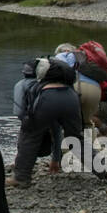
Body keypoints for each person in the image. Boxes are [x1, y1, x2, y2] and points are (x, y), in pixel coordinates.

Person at [9, 54, 83, 187]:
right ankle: (105, 172)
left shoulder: (22, 84)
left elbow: (19, 113)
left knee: (29, 137)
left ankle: (21, 178)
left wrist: (29, 123)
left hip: (48, 100)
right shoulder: (61, 81)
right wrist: (55, 159)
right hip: (71, 98)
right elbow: (56, 130)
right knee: (76, 138)